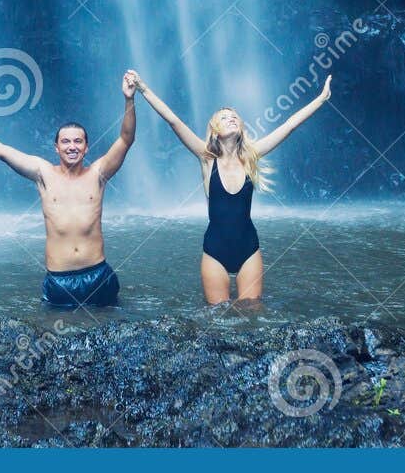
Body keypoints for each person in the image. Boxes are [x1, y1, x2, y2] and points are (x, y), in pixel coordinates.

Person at [0, 70, 138, 308]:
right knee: (57, 335)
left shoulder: (98, 174)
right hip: (60, 279)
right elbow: (0, 149)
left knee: (109, 333)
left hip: (97, 275)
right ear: (56, 148)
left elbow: (126, 139)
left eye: (78, 141)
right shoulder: (42, 173)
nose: (72, 147)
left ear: (86, 148)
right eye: (65, 142)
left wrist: (129, 99)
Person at [130, 71, 332, 305]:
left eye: (234, 117)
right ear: (214, 130)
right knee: (218, 319)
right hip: (215, 252)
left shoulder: (251, 156)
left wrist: (321, 98)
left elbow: (289, 126)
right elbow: (174, 121)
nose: (231, 119)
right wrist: (143, 88)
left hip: (249, 249)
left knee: (252, 314)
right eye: (224, 118)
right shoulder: (206, 159)